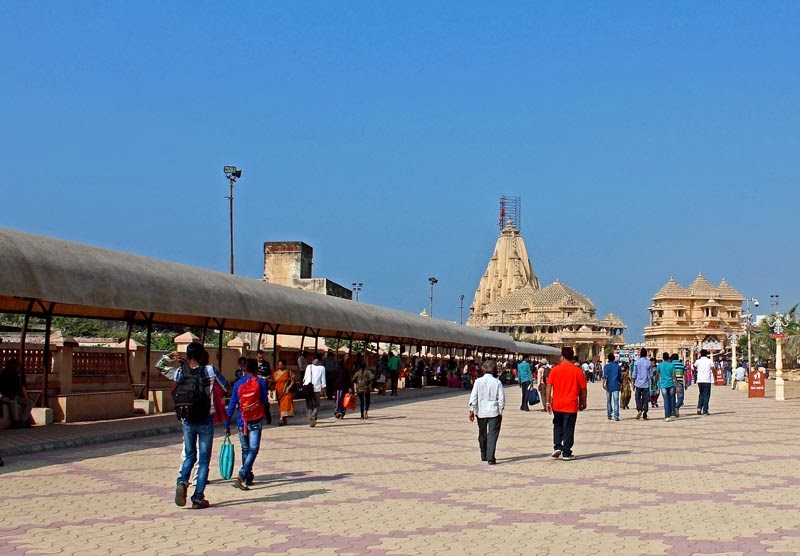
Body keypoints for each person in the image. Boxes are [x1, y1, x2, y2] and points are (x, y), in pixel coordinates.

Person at [157, 342, 217, 509]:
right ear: (202, 355)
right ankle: (198, 497)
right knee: (204, 460)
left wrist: (168, 357)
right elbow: (224, 385)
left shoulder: (180, 372)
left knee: (190, 455)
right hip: (206, 418)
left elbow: (159, 367)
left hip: (187, 419)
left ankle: (182, 481)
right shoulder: (210, 371)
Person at [225, 358, 268, 490]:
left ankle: (247, 475)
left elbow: (232, 404)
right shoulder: (260, 382)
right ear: (256, 369)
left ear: (244, 369)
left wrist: (227, 424)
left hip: (241, 420)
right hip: (256, 419)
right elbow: (264, 400)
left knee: (245, 449)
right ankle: (243, 474)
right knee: (253, 449)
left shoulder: (238, 384)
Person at [546, 347, 587, 461]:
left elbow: (549, 385)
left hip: (557, 404)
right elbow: (583, 388)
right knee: (568, 428)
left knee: (557, 425)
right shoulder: (577, 370)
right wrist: (583, 401)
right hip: (571, 404)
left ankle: (557, 446)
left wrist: (548, 401)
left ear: (562, 357)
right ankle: (566, 452)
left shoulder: (555, 369)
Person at [468, 359, 505, 465]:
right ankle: (491, 457)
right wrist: (500, 410)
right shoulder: (497, 382)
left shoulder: (478, 382)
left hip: (481, 412)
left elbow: (473, 396)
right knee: (493, 434)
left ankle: (483, 454)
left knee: (482, 433)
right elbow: (501, 399)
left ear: (483, 370)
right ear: (494, 369)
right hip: (494, 411)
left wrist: (471, 410)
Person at [0, 358, 32, 428]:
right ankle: (15, 422)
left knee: (29, 402)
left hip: (16, 396)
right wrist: (10, 395)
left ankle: (22, 421)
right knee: (13, 402)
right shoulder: (3, 374)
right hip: (5, 396)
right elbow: (2, 389)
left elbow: (21, 387)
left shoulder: (17, 375)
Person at [302, 354, 326, 427]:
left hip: (308, 388)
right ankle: (313, 416)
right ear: (320, 360)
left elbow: (305, 378)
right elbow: (323, 380)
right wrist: (324, 388)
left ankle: (310, 418)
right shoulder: (322, 368)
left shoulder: (308, 366)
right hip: (317, 389)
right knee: (316, 404)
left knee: (309, 405)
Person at [271, 359, 295, 426]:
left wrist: (288, 388)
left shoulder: (288, 372)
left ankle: (281, 419)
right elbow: (273, 382)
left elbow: (293, 381)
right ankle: (284, 419)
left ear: (284, 365)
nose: (280, 366)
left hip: (285, 391)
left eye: (281, 365)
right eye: (279, 365)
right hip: (278, 391)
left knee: (283, 405)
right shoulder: (275, 373)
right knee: (280, 405)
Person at [632, 348, 653, 420]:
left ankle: (639, 409)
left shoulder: (636, 362)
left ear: (640, 354)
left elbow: (634, 374)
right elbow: (651, 375)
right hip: (646, 384)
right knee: (645, 399)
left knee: (637, 397)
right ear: (646, 354)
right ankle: (645, 413)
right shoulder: (649, 363)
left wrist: (633, 384)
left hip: (638, 383)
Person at [656, 352, 676, 422]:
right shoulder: (671, 365)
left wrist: (655, 383)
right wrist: (676, 384)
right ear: (668, 357)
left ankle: (667, 415)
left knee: (666, 400)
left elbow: (657, 375)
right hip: (671, 384)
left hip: (663, 385)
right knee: (671, 399)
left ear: (663, 358)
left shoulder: (660, 365)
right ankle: (670, 414)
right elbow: (674, 376)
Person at [602, 353, 621, 421]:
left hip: (608, 385)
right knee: (616, 401)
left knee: (609, 401)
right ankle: (616, 416)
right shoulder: (618, 366)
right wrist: (621, 384)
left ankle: (609, 414)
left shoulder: (606, 367)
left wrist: (603, 384)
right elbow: (620, 377)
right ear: (614, 358)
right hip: (616, 385)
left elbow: (604, 376)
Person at [695, 349, 714, 415]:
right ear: (706, 354)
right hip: (707, 380)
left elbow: (695, 367)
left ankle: (699, 407)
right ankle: (705, 410)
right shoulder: (709, 361)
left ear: (700, 354)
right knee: (706, 395)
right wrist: (715, 376)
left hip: (700, 380)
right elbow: (713, 369)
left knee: (701, 394)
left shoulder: (698, 361)